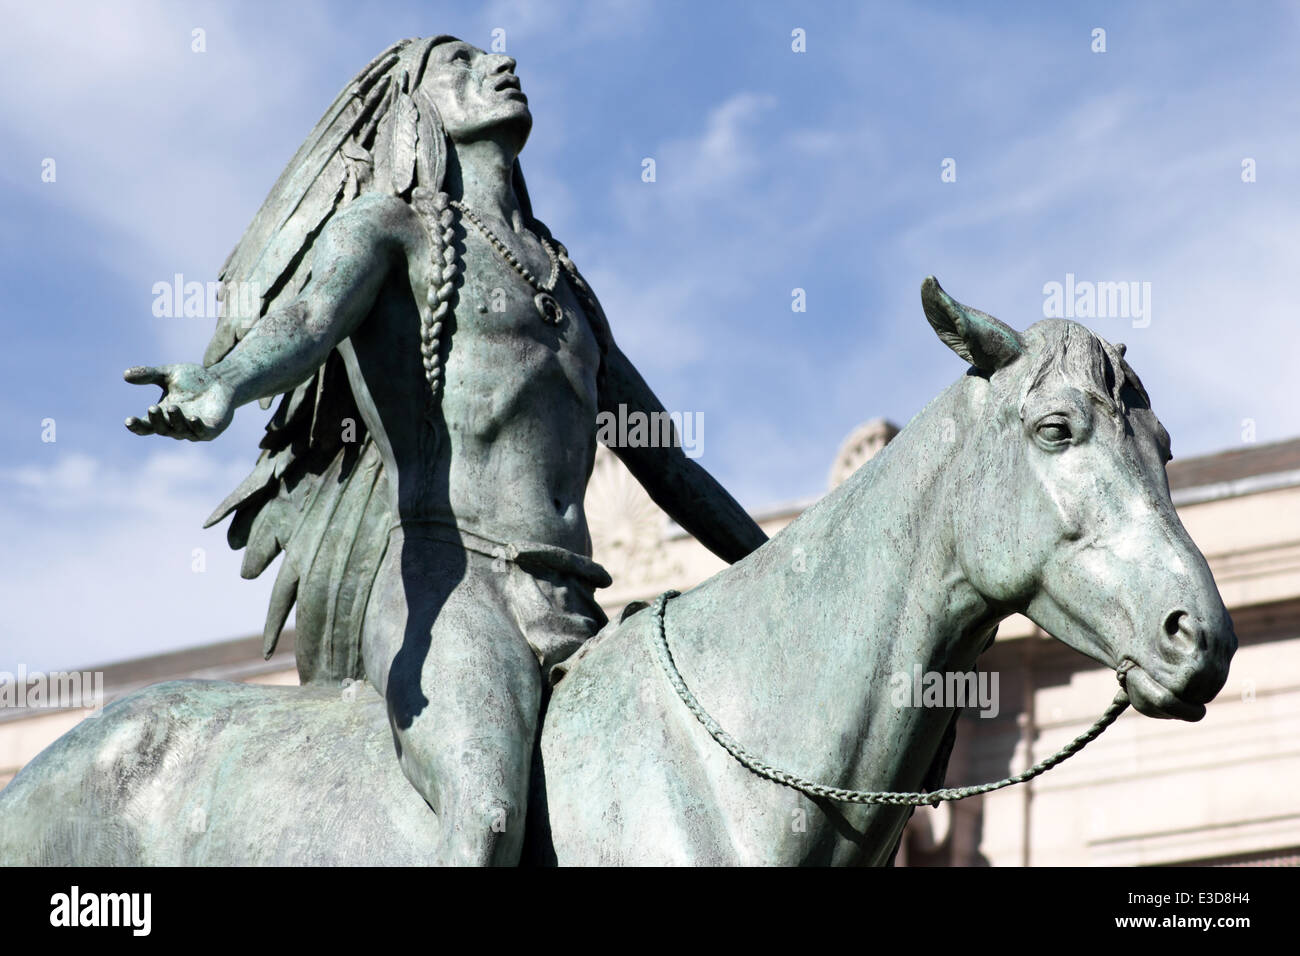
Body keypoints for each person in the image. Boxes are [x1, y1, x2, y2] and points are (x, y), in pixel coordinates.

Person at [125, 35, 767, 865]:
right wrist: (224, 383)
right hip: (449, 583)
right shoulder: (391, 228)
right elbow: (310, 321)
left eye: (494, 60)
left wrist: (793, 569)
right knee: (487, 812)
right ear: (421, 111)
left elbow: (669, 465)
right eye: (460, 64)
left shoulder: (565, 287)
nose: (499, 66)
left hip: (575, 605)